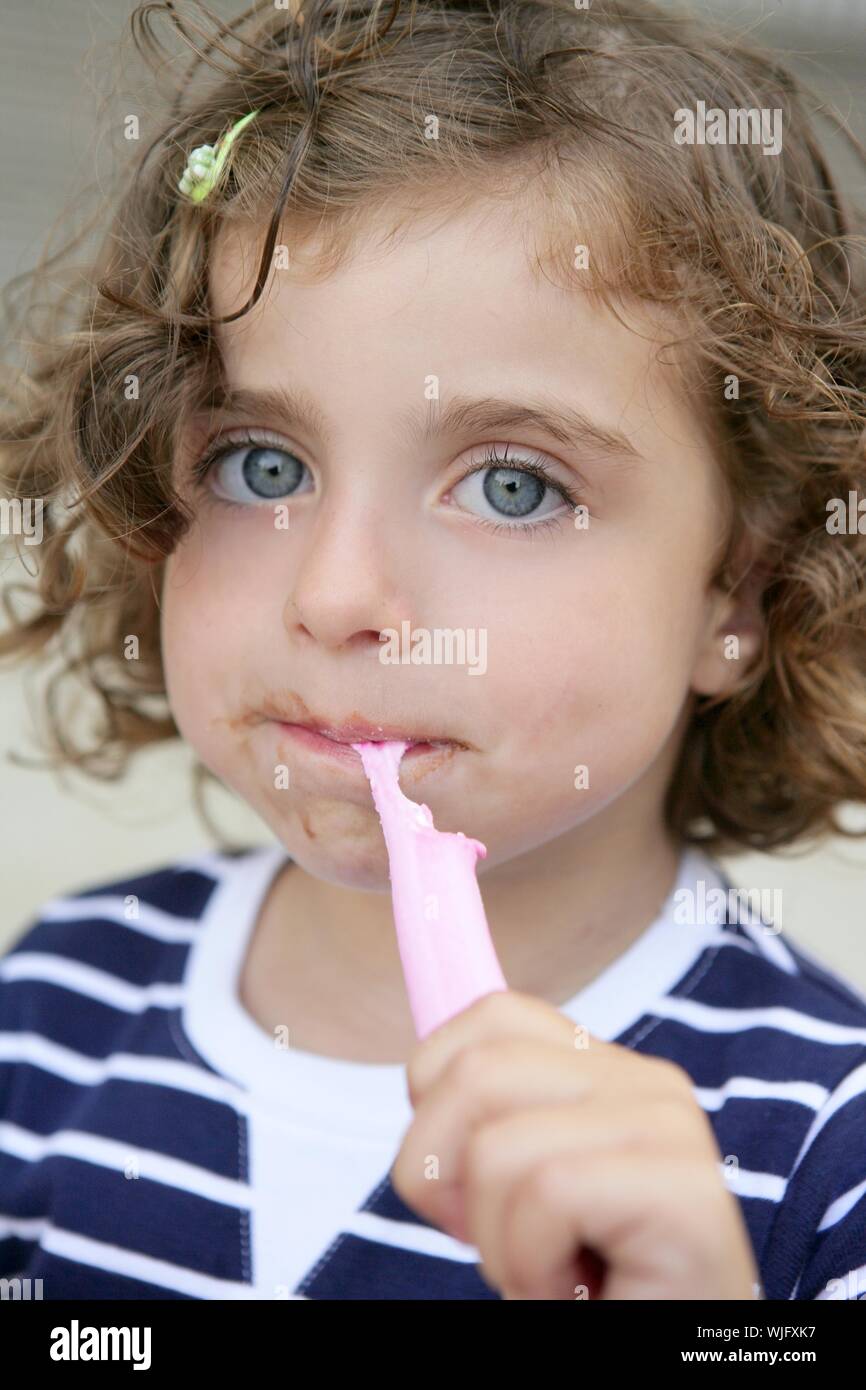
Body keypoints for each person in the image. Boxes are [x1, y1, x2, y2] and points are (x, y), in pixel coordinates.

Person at [1, 0, 865, 1301]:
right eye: (261, 463)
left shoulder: (822, 1144)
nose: (339, 592)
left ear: (736, 591)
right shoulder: (50, 1004)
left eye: (513, 487)